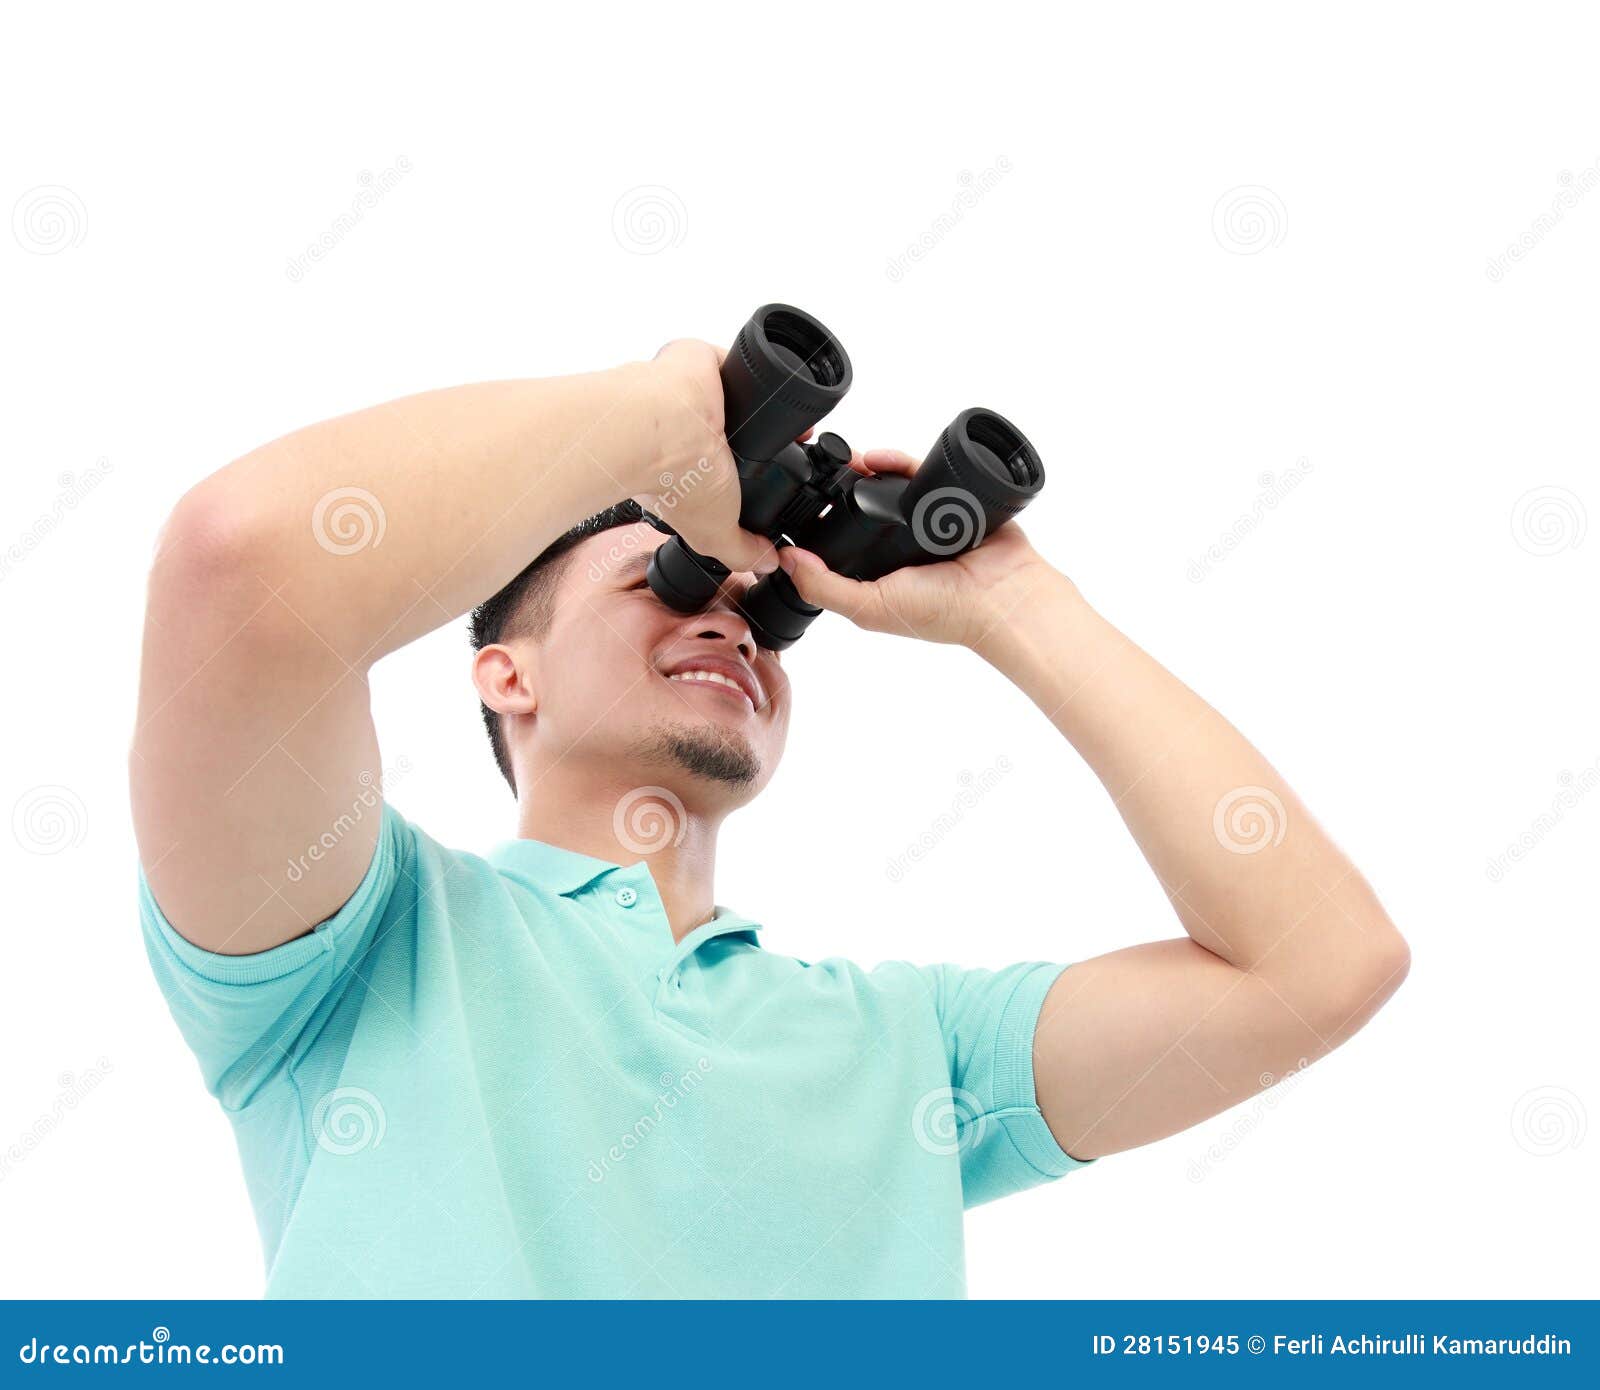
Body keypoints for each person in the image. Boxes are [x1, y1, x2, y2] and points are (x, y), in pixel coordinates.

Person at [129, 337, 1409, 1297]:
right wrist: (654, 423)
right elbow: (240, 562)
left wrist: (1017, 610)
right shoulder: (357, 946)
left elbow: (1318, 966)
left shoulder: (913, 1051)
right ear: (504, 674)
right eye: (665, 574)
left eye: (765, 612)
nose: (731, 614)